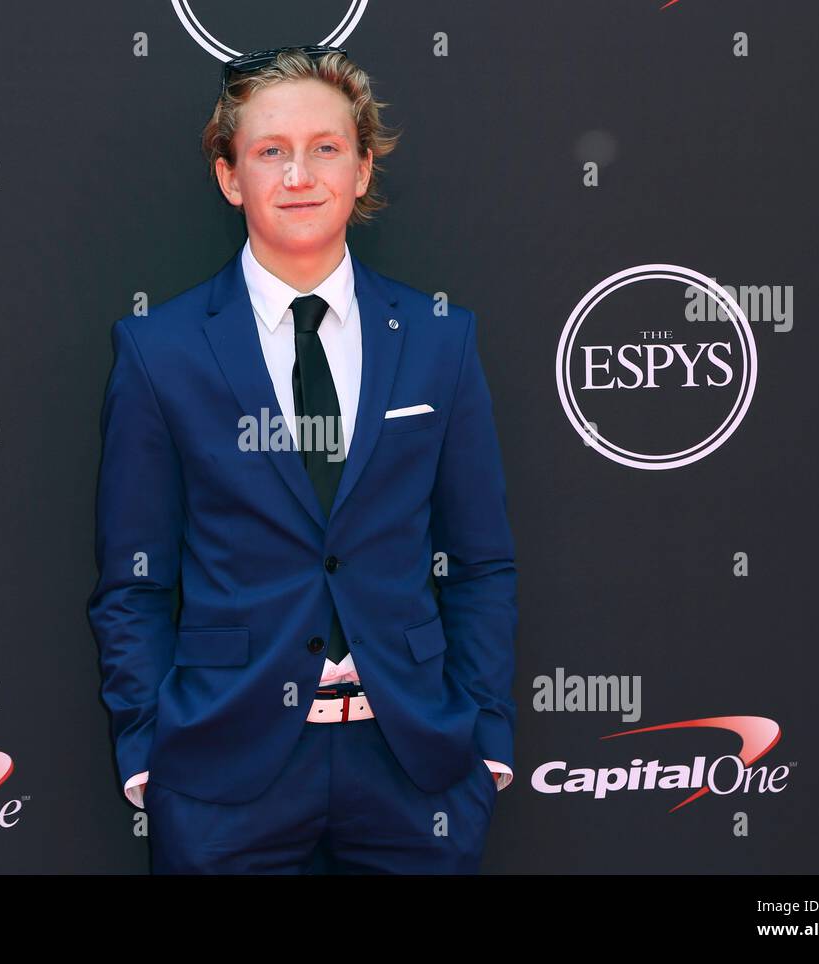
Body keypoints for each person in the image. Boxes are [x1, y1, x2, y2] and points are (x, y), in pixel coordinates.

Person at [87, 45, 518, 873]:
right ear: (229, 176)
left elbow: (482, 563)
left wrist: (487, 737)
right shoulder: (158, 352)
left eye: (325, 147)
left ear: (361, 169)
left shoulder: (439, 341)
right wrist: (148, 755)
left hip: (415, 773)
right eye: (269, 151)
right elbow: (132, 584)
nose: (299, 175)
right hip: (224, 778)